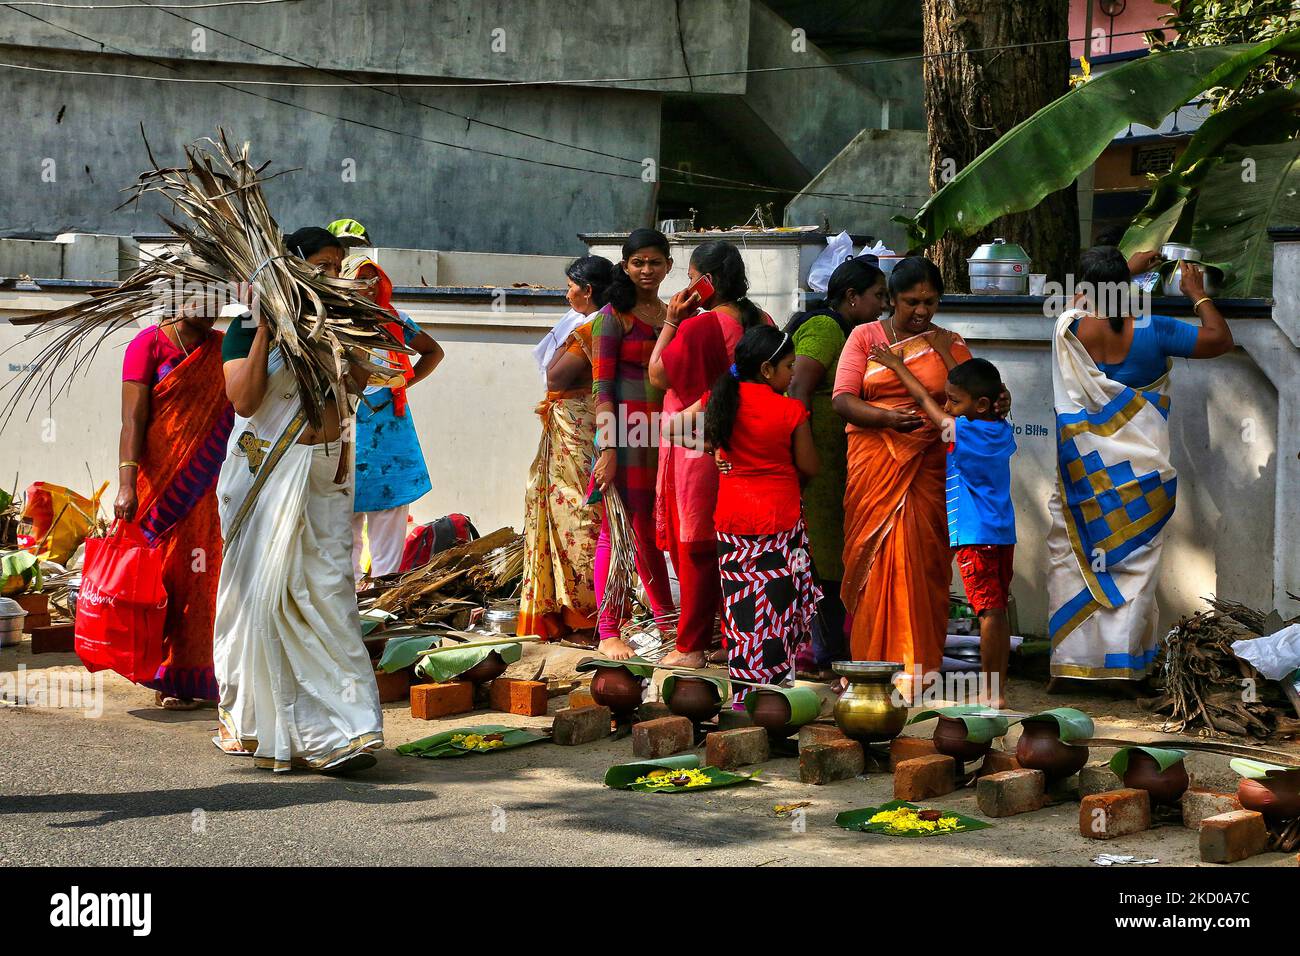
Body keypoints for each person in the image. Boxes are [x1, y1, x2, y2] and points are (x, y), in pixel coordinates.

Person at [211, 226, 383, 773]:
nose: (332, 275)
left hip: (324, 481)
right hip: (264, 475)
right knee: (262, 601)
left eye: (337, 266)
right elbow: (243, 400)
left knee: (329, 595)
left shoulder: (338, 326)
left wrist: (345, 331)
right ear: (292, 267)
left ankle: (348, 731)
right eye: (323, 265)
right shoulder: (244, 325)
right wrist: (268, 326)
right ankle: (265, 727)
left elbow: (360, 383)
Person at [1047, 247, 1232, 691]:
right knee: (1134, 568)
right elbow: (1220, 340)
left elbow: (1087, 299)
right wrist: (1197, 294)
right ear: (1125, 290)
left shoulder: (1070, 329)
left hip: (1083, 480)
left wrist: (1119, 272)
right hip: (1142, 480)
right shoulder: (1156, 330)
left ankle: (1070, 666)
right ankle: (1124, 669)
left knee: (1073, 562)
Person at [831, 257, 975, 695]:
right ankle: (869, 670)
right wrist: (888, 420)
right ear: (891, 300)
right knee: (875, 565)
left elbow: (973, 399)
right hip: (874, 462)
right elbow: (842, 399)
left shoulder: (950, 342)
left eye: (930, 302)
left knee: (923, 564)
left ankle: (917, 669)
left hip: (928, 467)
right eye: (911, 301)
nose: (921, 311)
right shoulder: (866, 337)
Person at [671, 325, 821, 702]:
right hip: (779, 523)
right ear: (767, 369)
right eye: (789, 367)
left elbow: (671, 428)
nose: (792, 375)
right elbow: (810, 466)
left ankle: (743, 697)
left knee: (741, 616)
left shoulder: (721, 398)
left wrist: (711, 449)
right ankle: (773, 698)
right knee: (777, 615)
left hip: (732, 522)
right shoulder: (791, 410)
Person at [871, 340, 1016, 708]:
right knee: (995, 609)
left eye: (955, 401)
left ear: (979, 404)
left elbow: (925, 401)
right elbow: (965, 388)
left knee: (988, 612)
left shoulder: (961, 432)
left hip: (974, 535)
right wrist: (946, 353)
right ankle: (996, 687)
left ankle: (992, 693)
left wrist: (894, 363)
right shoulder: (1000, 428)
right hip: (1001, 532)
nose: (948, 405)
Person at [649, 241, 773, 669]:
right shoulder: (762, 319)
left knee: (697, 546)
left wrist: (670, 321)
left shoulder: (701, 326)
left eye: (690, 279)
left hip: (698, 446)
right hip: (750, 445)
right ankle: (735, 640)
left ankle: (692, 647)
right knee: (737, 546)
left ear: (707, 282)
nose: (686, 288)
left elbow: (657, 373)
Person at [114, 302, 234, 709]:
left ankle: (191, 677)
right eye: (203, 299)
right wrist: (126, 485)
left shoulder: (223, 347)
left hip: (205, 484)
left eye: (219, 300)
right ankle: (156, 668)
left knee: (199, 581)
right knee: (156, 579)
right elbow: (132, 421)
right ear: (180, 296)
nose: (212, 310)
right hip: (155, 486)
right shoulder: (147, 345)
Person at [785, 257, 888, 677]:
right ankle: (822, 653)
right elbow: (797, 388)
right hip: (818, 464)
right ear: (851, 297)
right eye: (878, 296)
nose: (883, 305)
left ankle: (830, 649)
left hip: (837, 463)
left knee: (834, 554)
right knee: (824, 556)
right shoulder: (827, 328)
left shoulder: (852, 333)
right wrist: (799, 455)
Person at [591, 229, 678, 660]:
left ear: (669, 266)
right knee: (618, 531)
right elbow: (602, 387)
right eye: (638, 262)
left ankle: (667, 625)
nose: (647, 270)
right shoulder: (612, 316)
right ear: (625, 266)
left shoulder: (672, 315)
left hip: (662, 437)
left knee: (652, 532)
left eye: (655, 262)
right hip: (623, 437)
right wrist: (608, 449)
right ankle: (609, 631)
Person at [518, 256, 614, 641]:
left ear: (587, 290)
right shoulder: (587, 322)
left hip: (580, 425)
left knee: (577, 513)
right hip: (573, 423)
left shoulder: (593, 326)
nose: (566, 292)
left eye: (570, 286)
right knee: (558, 510)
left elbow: (555, 375)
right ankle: (565, 611)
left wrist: (570, 340)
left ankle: (585, 614)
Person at [341, 254, 443, 580]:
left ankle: (382, 607)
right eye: (360, 280)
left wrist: (403, 382)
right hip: (345, 431)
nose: (368, 288)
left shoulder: (394, 321)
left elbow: (433, 351)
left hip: (389, 434)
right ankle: (346, 607)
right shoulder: (331, 324)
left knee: (389, 524)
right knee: (343, 526)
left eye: (373, 280)